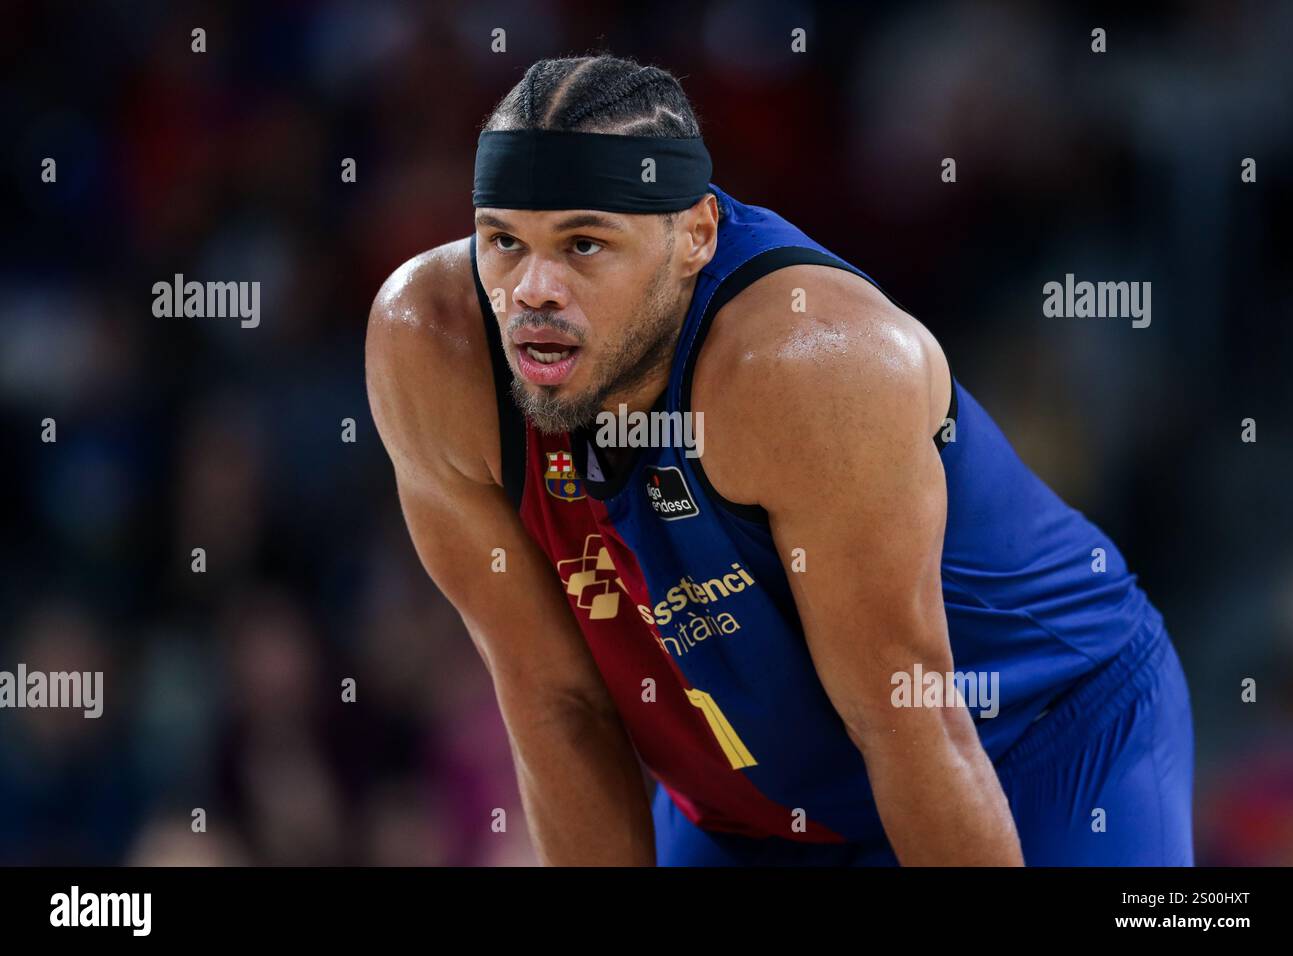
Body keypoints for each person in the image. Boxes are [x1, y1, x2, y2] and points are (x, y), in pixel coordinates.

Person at [365, 54, 1194, 866]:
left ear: (695, 235)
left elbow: (909, 724)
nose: (533, 290)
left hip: (1032, 738)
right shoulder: (430, 344)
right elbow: (558, 705)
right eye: (504, 240)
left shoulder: (806, 364)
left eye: (585, 244)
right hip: (754, 811)